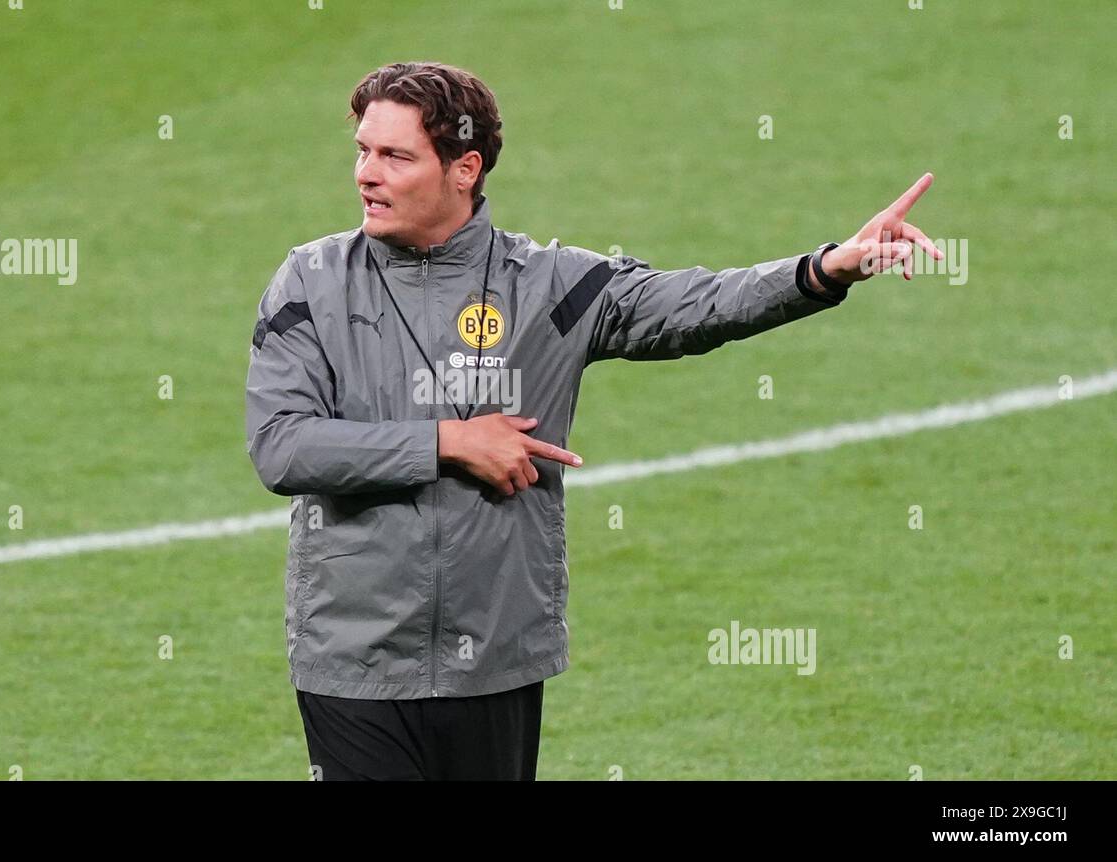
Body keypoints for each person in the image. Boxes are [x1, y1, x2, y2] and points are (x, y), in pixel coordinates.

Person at [244, 61, 940, 781]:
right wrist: (446, 442)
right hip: (355, 661)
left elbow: (691, 305)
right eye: (362, 150)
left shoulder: (550, 286)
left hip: (494, 657)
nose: (366, 173)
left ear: (464, 168)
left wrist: (823, 269)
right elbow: (282, 446)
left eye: (394, 156)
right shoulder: (312, 282)